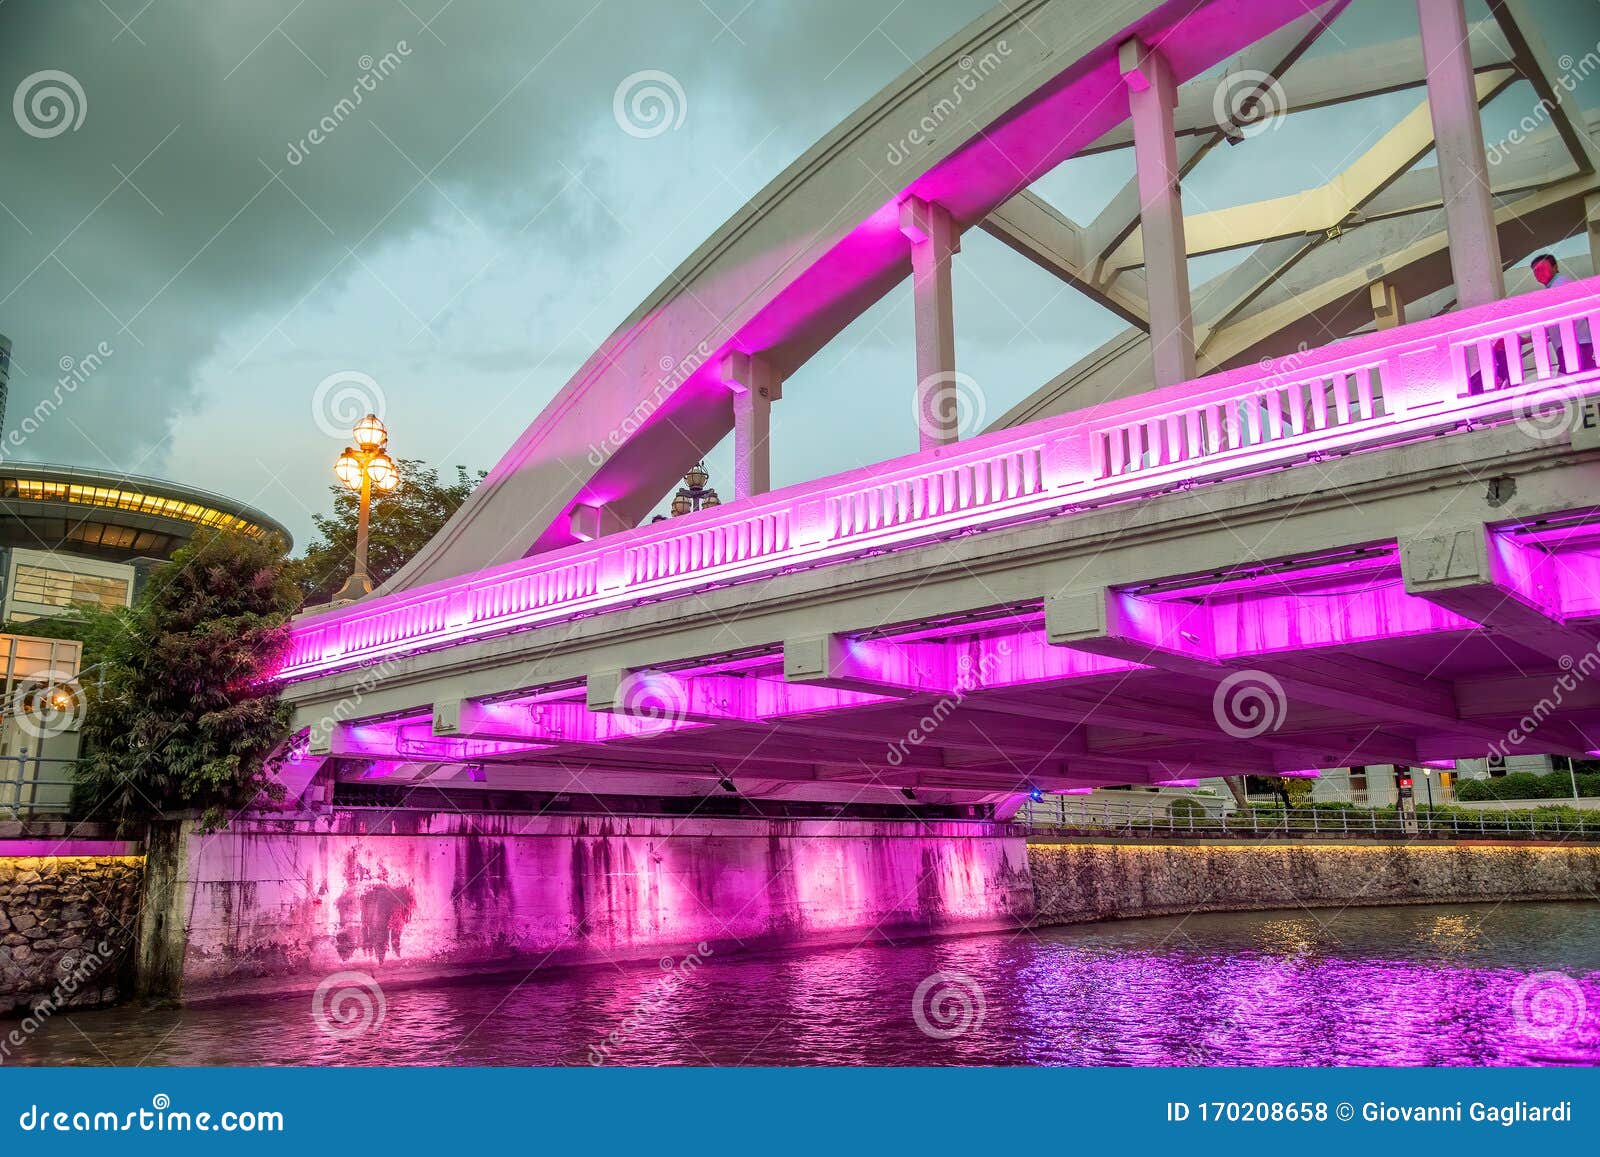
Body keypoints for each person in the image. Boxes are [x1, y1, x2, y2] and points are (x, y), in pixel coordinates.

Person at [1530, 252, 1593, 373]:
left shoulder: (1560, 285)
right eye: (1535, 271)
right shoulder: (1554, 287)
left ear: (1555, 267)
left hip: (1575, 344)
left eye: (1542, 268)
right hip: (1574, 344)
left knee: (1573, 384)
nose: (1539, 273)